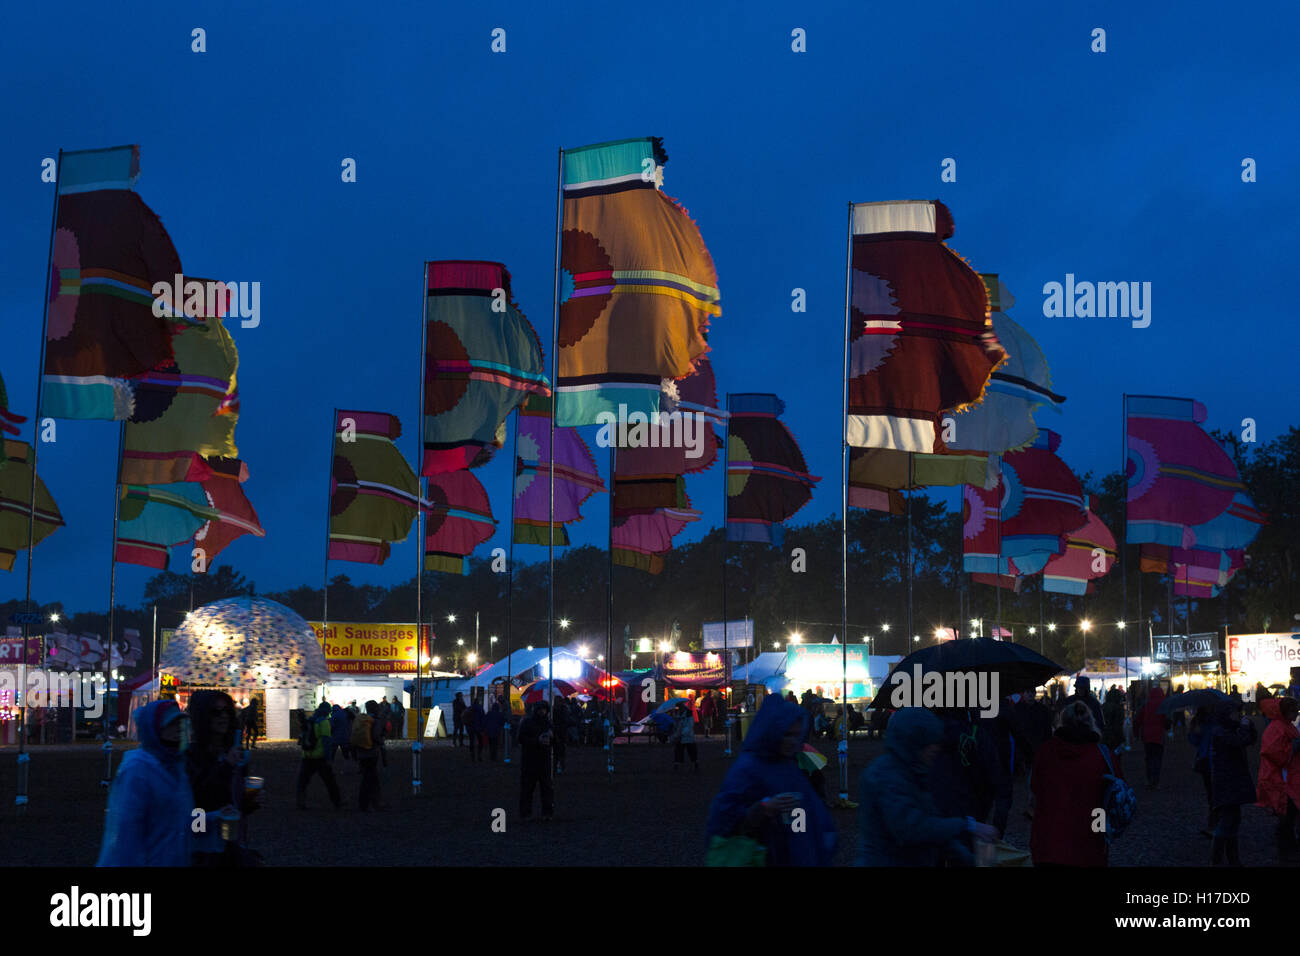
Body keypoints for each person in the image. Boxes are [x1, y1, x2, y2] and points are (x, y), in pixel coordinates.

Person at [706, 697, 837, 866]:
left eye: (797, 735)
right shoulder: (747, 769)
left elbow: (800, 820)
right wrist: (763, 809)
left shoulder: (789, 765)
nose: (793, 741)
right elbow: (723, 821)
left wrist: (807, 843)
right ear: (773, 731)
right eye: (787, 735)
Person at [858, 707, 994, 866]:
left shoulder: (915, 771)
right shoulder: (885, 776)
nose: (935, 748)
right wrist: (967, 825)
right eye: (928, 743)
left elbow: (932, 829)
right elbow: (912, 828)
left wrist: (969, 859)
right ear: (913, 742)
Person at [98, 700, 195, 867]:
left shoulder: (176, 766)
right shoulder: (138, 770)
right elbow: (127, 833)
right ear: (154, 728)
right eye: (171, 723)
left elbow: (185, 817)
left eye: (179, 722)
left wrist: (213, 820)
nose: (178, 728)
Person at [1029, 701, 1118, 867]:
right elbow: (1117, 794)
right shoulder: (1103, 755)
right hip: (1091, 839)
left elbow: (1034, 790)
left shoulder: (1045, 751)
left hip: (1049, 840)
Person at [187, 691, 255, 865]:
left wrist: (250, 802)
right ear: (202, 716)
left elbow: (235, 802)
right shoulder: (191, 756)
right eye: (216, 712)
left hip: (232, 843)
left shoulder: (233, 752)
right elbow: (195, 808)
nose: (223, 716)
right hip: (203, 850)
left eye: (227, 711)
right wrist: (225, 767)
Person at [1209, 696, 1257, 865]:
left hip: (1233, 780)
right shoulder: (1220, 731)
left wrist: (1249, 728)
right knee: (1228, 821)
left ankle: (1232, 859)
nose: (1238, 715)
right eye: (1236, 712)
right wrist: (1244, 728)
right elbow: (1239, 742)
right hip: (1227, 781)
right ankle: (1217, 859)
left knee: (1234, 820)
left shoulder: (1228, 728)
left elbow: (1249, 740)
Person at [1255, 696, 1300, 862]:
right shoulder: (1277, 728)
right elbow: (1274, 753)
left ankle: (1289, 845)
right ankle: (1285, 847)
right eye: (1294, 711)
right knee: (1286, 814)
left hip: (1288, 777)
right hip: (1280, 778)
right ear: (1286, 712)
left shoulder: (1284, 726)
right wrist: (1293, 748)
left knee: (1290, 812)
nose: (1296, 714)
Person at [297, 702, 342, 810]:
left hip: (307, 756)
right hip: (320, 757)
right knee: (330, 781)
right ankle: (337, 802)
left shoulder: (310, 721)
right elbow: (326, 741)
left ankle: (300, 802)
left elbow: (301, 739)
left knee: (302, 782)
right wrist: (329, 758)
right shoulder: (324, 722)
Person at [518, 701, 555, 821]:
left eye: (544, 710)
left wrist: (552, 737)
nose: (542, 712)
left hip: (544, 760)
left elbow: (556, 742)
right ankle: (526, 813)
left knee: (546, 788)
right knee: (528, 788)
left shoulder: (548, 724)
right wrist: (537, 741)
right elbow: (520, 739)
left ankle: (547, 813)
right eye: (540, 710)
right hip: (530, 760)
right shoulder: (528, 723)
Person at [1187, 706, 1218, 837]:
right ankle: (1216, 823)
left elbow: (1195, 741)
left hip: (1206, 759)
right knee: (1215, 793)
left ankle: (1215, 823)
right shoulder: (1217, 721)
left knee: (1211, 794)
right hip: (1216, 759)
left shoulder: (1202, 723)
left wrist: (1192, 730)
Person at [1132, 685, 1170, 789]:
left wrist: (1136, 734)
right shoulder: (1163, 705)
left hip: (1147, 735)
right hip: (1159, 736)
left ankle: (1149, 780)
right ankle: (1155, 780)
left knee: (1149, 758)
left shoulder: (1146, 705)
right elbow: (1166, 722)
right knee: (1157, 759)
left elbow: (1137, 720)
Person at [351, 701, 383, 811]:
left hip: (361, 753)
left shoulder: (363, 720)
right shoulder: (375, 721)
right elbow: (376, 737)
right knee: (371, 780)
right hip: (371, 753)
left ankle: (367, 804)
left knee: (367, 778)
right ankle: (369, 804)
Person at [669, 701, 699, 771]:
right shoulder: (679, 714)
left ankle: (694, 763)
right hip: (681, 736)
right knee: (679, 751)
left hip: (686, 736)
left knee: (691, 751)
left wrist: (681, 733)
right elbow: (676, 725)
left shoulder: (688, 715)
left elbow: (689, 726)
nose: (679, 708)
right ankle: (678, 764)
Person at [551, 697, 569, 774]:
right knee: (556, 752)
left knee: (560, 752)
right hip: (556, 732)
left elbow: (565, 722)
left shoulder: (563, 710)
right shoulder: (553, 710)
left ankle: (561, 767)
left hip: (561, 733)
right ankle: (556, 767)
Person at [465, 695, 484, 762]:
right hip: (478, 727)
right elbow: (483, 718)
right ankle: (479, 755)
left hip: (470, 727)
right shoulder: (480, 708)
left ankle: (472, 756)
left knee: (471, 741)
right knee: (480, 742)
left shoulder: (469, 708)